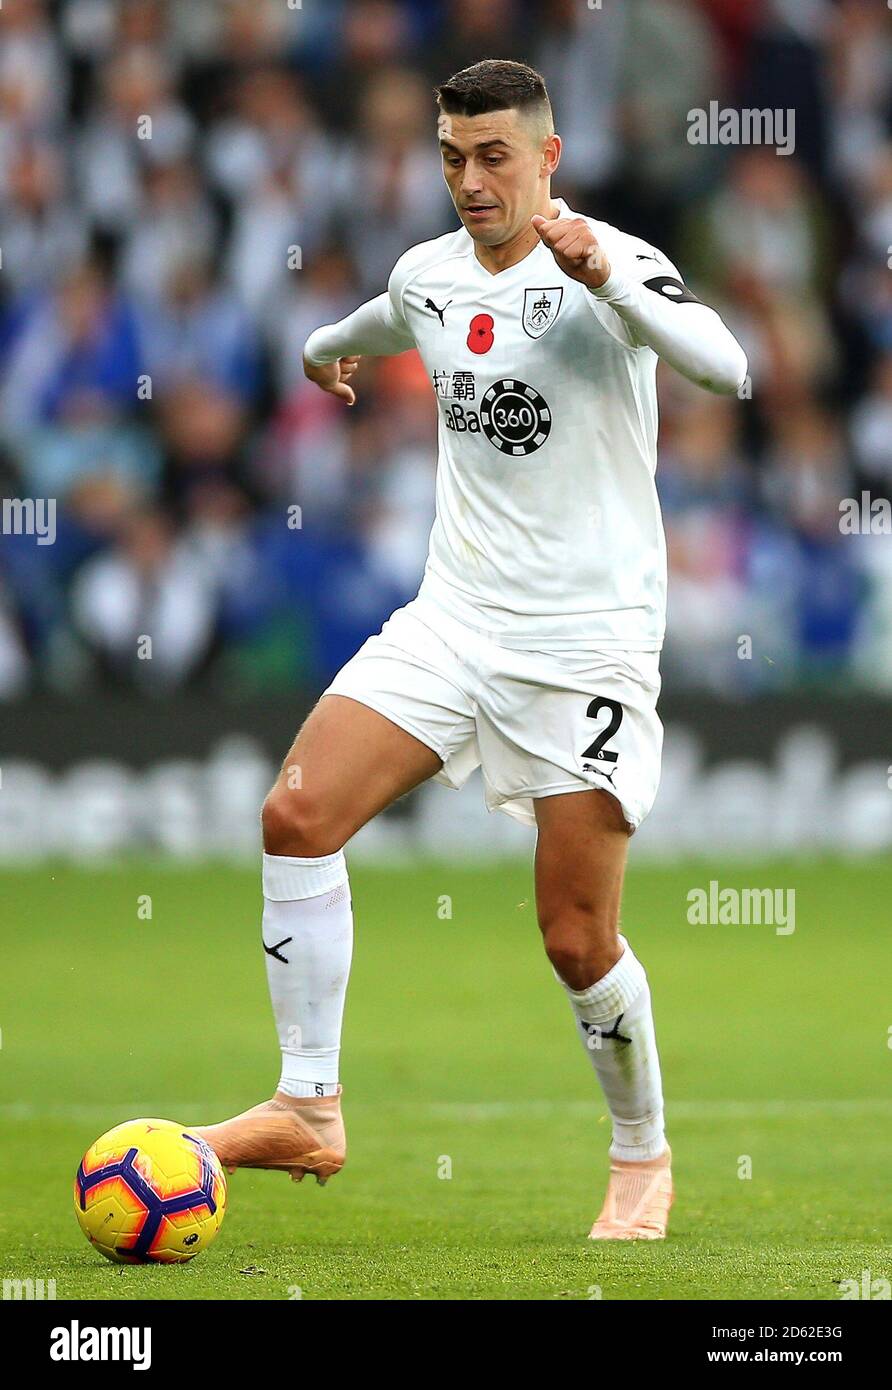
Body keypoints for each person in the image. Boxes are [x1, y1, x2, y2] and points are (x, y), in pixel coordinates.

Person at [195, 59, 747, 1241]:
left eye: (495, 155)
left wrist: (617, 284)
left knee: (574, 936)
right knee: (294, 817)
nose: (470, 180)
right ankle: (308, 1101)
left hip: (584, 648)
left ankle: (640, 1152)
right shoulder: (431, 274)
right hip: (452, 622)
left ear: (547, 157)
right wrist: (317, 351)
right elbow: (379, 320)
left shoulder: (609, 261)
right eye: (452, 157)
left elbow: (726, 365)